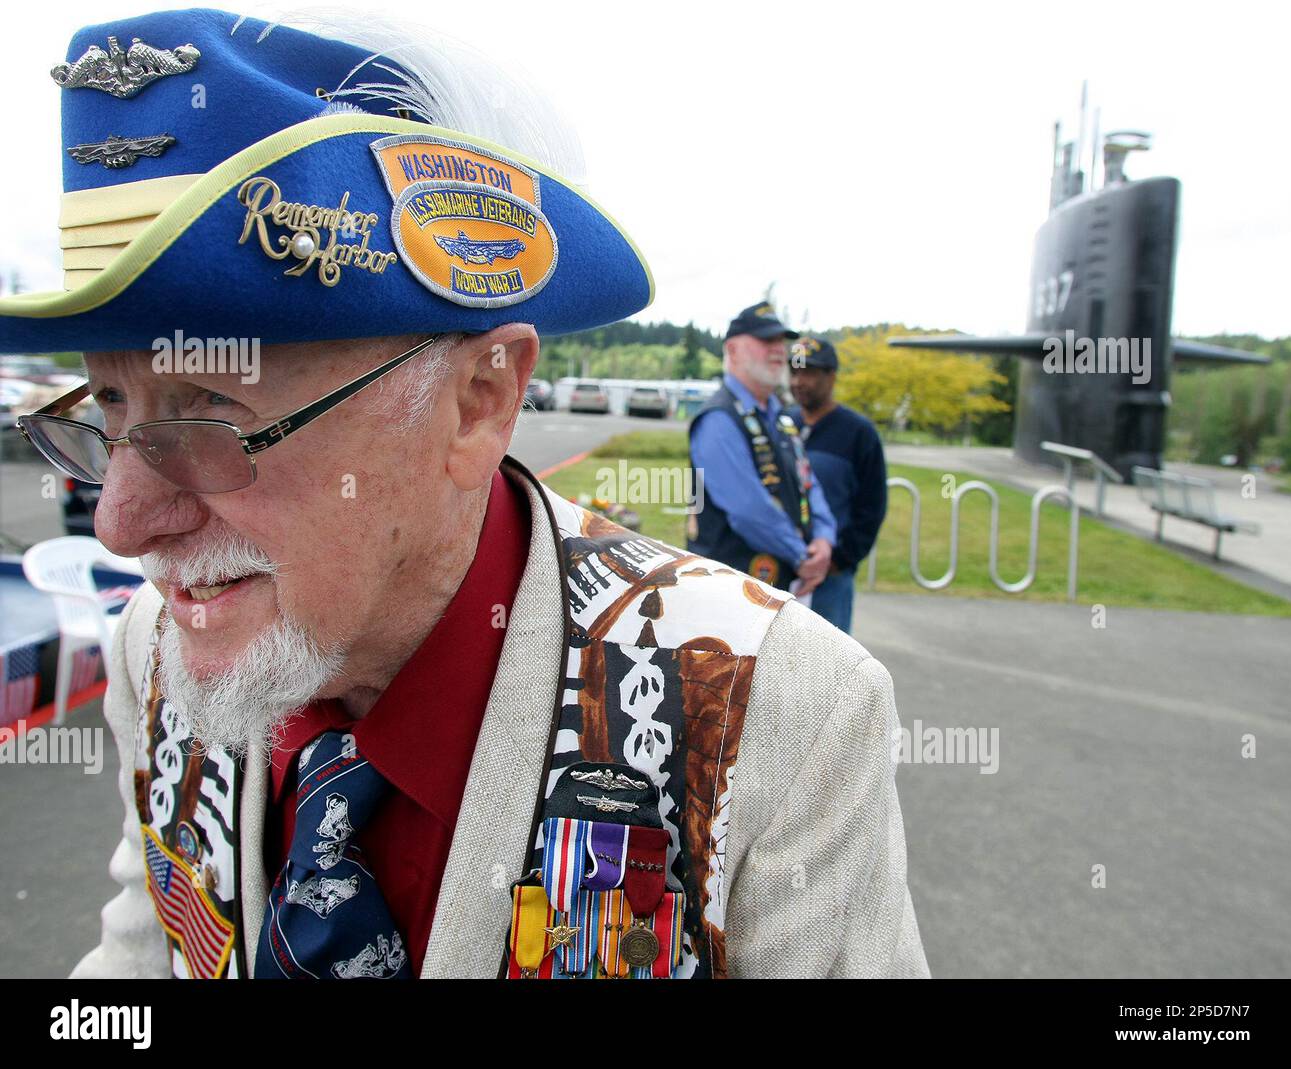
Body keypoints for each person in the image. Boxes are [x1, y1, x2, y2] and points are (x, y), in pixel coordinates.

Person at [7, 8, 927, 980]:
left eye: (209, 420)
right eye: (109, 408)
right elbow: (145, 954)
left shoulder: (778, 712)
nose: (120, 521)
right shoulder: (155, 645)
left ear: (477, 399)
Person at [687, 303, 838, 595]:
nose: (779, 350)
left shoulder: (780, 416)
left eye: (781, 341)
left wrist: (824, 536)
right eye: (766, 340)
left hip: (780, 586)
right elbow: (748, 508)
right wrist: (802, 556)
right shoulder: (719, 418)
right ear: (732, 350)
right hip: (730, 593)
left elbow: (807, 481)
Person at [789, 336, 889, 633]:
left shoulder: (859, 433)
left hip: (831, 578)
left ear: (831, 377)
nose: (798, 381)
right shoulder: (782, 422)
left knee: (830, 668)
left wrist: (839, 561)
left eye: (808, 372)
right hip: (779, 568)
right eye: (793, 372)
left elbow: (872, 507)